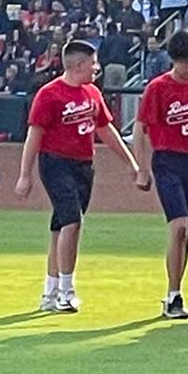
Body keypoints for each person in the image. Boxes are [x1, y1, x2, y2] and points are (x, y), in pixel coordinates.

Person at [15, 40, 141, 313]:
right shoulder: (49, 95)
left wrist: (131, 163)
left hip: (84, 165)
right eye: (93, 63)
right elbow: (33, 136)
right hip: (56, 163)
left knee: (60, 228)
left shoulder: (92, 94)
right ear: (79, 65)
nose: (97, 69)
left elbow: (106, 130)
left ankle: (49, 292)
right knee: (73, 222)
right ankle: (66, 290)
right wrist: (25, 175)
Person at [131, 30, 188, 320]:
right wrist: (142, 167)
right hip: (167, 160)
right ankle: (172, 294)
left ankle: (177, 288)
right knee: (178, 225)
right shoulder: (158, 88)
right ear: (175, 60)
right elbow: (140, 128)